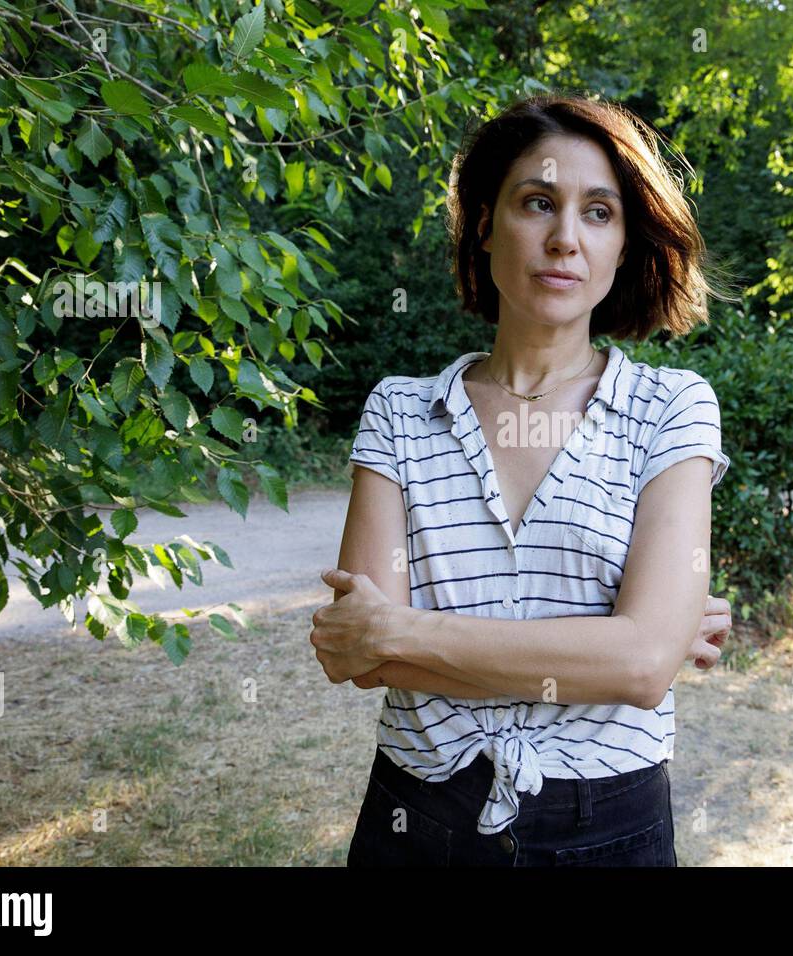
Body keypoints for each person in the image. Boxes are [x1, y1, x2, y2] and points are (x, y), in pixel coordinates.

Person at [310, 92, 737, 866]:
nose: (565, 239)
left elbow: (639, 668)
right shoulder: (401, 412)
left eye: (599, 213)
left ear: (623, 243)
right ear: (484, 223)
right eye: (537, 203)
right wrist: (613, 644)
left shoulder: (672, 408)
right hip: (418, 821)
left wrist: (406, 629)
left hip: (613, 826)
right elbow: (358, 660)